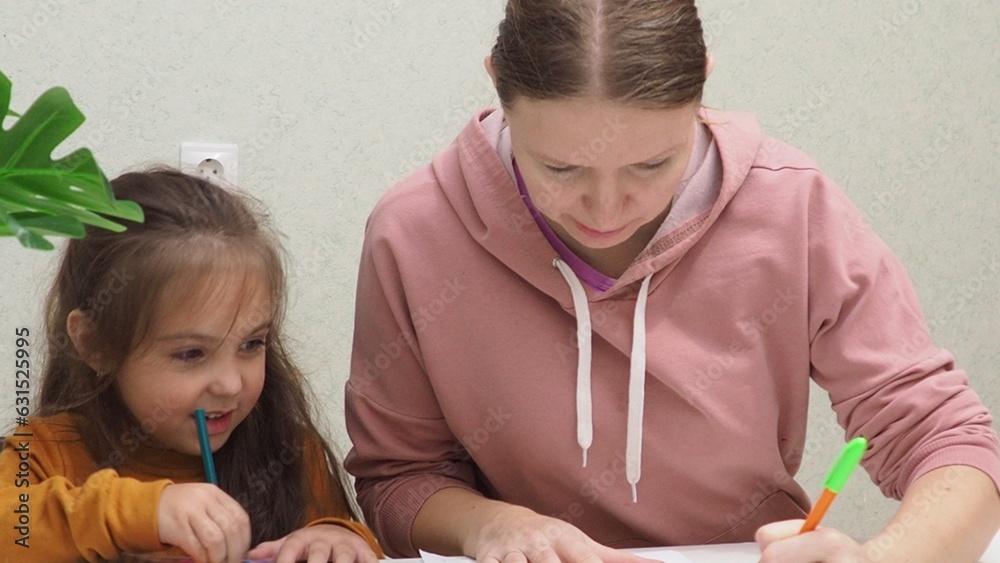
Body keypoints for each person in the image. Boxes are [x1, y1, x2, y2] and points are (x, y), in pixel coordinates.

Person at [343, 1, 1000, 562]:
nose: (605, 210)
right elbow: (397, 477)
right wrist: (490, 524)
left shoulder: (792, 209)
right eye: (561, 169)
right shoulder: (414, 231)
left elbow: (948, 439)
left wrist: (886, 556)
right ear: (497, 86)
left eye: (651, 164)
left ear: (703, 87)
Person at [0, 170, 381, 562]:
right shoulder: (47, 453)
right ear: (95, 345)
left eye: (251, 344)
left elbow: (337, 542)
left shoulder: (291, 452)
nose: (231, 384)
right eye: (191, 354)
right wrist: (142, 513)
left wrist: (337, 537)